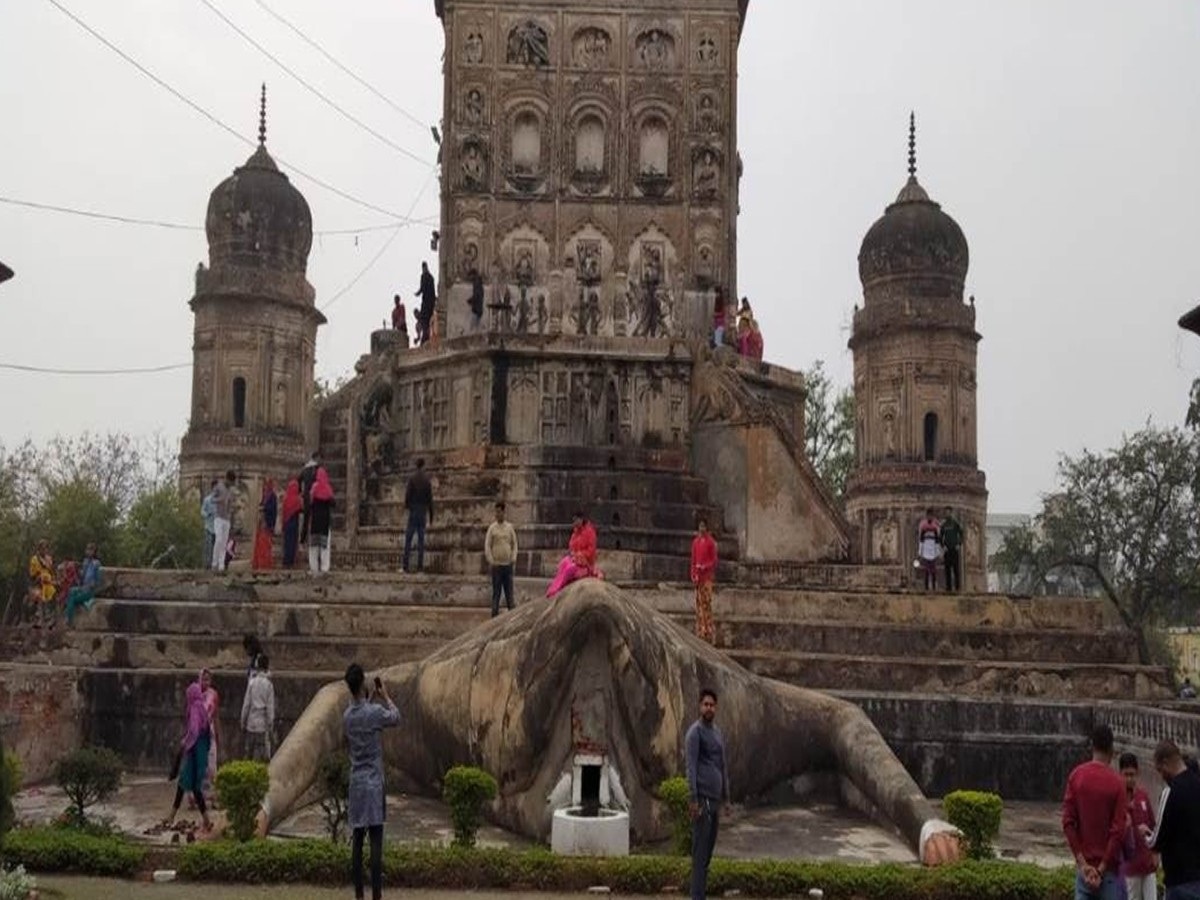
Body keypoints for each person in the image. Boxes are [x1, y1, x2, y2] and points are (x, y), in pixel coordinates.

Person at [344, 663, 401, 900]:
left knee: (357, 841)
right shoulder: (374, 712)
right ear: (363, 684)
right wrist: (385, 696)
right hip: (374, 781)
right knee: (376, 841)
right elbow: (396, 718)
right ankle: (377, 894)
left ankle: (359, 894)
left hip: (356, 781)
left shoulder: (347, 717)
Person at [1063, 724, 1128, 900]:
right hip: (1107, 873)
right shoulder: (1117, 783)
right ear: (1112, 748)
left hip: (1084, 871)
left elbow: (1068, 823)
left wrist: (1083, 864)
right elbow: (1118, 831)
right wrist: (1101, 868)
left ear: (1092, 746)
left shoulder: (1076, 776)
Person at [685, 688, 730, 900]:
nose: (709, 708)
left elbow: (722, 765)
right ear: (700, 706)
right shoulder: (695, 733)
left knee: (708, 855)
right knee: (700, 855)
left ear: (716, 708)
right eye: (705, 704)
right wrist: (693, 799)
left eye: (712, 705)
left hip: (715, 800)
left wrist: (726, 797)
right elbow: (691, 767)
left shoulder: (718, 733)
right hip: (702, 801)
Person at [1144, 740, 1200, 899]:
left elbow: (1156, 841)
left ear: (1165, 763)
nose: (1161, 776)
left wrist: (1144, 834)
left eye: (1160, 770)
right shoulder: (1198, 784)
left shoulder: (1170, 792)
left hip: (1179, 882)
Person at [167, 679, 214, 831]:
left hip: (194, 750)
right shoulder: (201, 707)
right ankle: (204, 820)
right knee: (192, 785)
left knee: (186, 783)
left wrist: (185, 742)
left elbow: (194, 730)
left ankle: (172, 816)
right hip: (199, 750)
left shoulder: (194, 708)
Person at [1119, 752, 1159, 900]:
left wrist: (1155, 853)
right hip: (1130, 869)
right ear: (1120, 773)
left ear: (1137, 773)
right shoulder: (1118, 799)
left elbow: (1153, 825)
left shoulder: (1143, 795)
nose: (1130, 779)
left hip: (1147, 865)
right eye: (1126, 775)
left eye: (1132, 775)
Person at [546, 511, 601, 598]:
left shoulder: (590, 532)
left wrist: (579, 555)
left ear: (581, 520)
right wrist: (573, 554)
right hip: (575, 559)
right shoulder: (575, 533)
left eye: (575, 520)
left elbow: (591, 551)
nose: (574, 523)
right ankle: (553, 588)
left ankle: (558, 589)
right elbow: (571, 546)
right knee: (563, 563)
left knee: (569, 569)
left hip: (585, 563)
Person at [484, 501, 518, 617]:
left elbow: (515, 544)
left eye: (499, 512)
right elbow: (487, 545)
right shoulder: (492, 528)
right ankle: (494, 617)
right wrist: (491, 560)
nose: (497, 514)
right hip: (497, 566)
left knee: (509, 595)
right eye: (496, 512)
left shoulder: (509, 528)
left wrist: (513, 558)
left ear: (504, 512)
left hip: (507, 565)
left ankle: (512, 618)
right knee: (496, 594)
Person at [241, 654, 276, 763]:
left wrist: (243, 721)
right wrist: (270, 726)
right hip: (262, 726)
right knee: (260, 757)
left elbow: (246, 705)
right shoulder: (269, 685)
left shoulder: (252, 683)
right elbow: (270, 709)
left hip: (251, 724)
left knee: (248, 755)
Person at [402, 459, 434, 574]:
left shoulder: (412, 479)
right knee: (421, 540)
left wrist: (408, 507)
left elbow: (407, 496)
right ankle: (420, 567)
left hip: (414, 510)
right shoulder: (427, 481)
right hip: (422, 511)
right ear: (424, 466)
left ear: (416, 466)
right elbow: (430, 500)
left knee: (408, 539)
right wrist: (431, 516)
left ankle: (405, 566)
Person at [690, 518, 718, 644]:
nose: (701, 529)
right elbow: (693, 560)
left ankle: (709, 631)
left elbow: (714, 561)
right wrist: (693, 574)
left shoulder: (711, 542)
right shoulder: (695, 542)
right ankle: (701, 630)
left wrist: (705, 566)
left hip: (707, 577)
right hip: (698, 577)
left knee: (706, 603)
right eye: (700, 526)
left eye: (703, 526)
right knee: (699, 604)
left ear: (706, 528)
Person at [65, 542, 102, 626]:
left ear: (94, 551)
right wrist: (78, 569)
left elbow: (98, 581)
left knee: (73, 599)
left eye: (90, 549)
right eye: (87, 549)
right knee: (71, 591)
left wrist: (92, 585)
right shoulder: (86, 562)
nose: (87, 551)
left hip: (90, 591)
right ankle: (68, 616)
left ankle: (69, 620)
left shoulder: (96, 564)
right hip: (83, 588)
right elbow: (82, 577)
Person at [309, 466, 336, 574]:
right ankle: (325, 568)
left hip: (315, 520)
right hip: (325, 521)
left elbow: (310, 503)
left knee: (314, 547)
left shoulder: (314, 488)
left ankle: (314, 568)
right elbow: (333, 503)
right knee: (325, 547)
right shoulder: (328, 488)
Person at [200, 668, 221, 801]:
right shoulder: (194, 695)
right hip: (197, 734)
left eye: (208, 679)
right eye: (203, 679)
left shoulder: (213, 695)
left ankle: (213, 796)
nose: (205, 682)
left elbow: (216, 716)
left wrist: (218, 735)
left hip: (210, 733)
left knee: (211, 765)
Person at [28, 539, 56, 630]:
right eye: (42, 548)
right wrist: (39, 578)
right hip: (38, 583)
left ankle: (50, 619)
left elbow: (51, 571)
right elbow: (32, 575)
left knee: (52, 594)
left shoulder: (49, 559)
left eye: (45, 548)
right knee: (39, 595)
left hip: (48, 583)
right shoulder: (34, 559)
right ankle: (38, 620)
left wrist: (52, 579)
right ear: (39, 549)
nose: (44, 550)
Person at [211, 470, 236, 572]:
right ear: (227, 479)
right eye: (230, 482)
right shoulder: (219, 487)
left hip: (226, 519)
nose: (231, 484)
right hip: (218, 518)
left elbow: (230, 504)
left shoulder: (230, 491)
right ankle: (214, 562)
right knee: (219, 539)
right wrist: (220, 499)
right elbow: (211, 499)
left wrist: (230, 512)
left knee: (224, 542)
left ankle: (221, 565)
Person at [252, 479, 278, 570]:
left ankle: (265, 563)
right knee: (260, 543)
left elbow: (272, 510)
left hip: (267, 523)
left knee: (266, 544)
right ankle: (259, 562)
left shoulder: (272, 497)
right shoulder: (265, 496)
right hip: (262, 522)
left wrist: (264, 509)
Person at [940, 507, 964, 593]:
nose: (947, 514)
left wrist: (959, 544)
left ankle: (957, 587)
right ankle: (948, 588)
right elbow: (940, 537)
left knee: (956, 569)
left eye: (949, 512)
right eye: (946, 512)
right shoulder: (944, 525)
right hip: (947, 549)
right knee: (947, 569)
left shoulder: (955, 523)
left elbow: (961, 533)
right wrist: (943, 546)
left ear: (951, 513)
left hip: (954, 548)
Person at [280, 478, 303, 568]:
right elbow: (301, 509)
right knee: (293, 543)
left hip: (287, 523)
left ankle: (286, 560)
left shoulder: (286, 499)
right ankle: (291, 561)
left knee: (287, 542)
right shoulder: (297, 499)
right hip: (294, 523)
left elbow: (284, 512)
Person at [916, 509, 941, 592]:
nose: (930, 517)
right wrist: (920, 552)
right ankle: (926, 587)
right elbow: (921, 540)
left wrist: (938, 552)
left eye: (931, 515)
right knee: (926, 570)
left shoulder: (935, 526)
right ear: (927, 516)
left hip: (933, 550)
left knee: (933, 570)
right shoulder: (923, 526)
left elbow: (938, 541)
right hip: (926, 550)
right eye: (928, 515)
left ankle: (934, 586)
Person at [414, 261, 437, 347]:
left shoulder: (424, 276)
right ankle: (426, 340)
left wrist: (418, 293)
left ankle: (425, 341)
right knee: (428, 322)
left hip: (427, 303)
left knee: (426, 323)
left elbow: (422, 288)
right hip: (431, 303)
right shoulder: (431, 277)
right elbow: (433, 291)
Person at [300, 452, 320, 544]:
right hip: (314, 496)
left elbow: (298, 479)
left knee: (306, 519)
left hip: (306, 496)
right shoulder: (316, 469)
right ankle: (313, 540)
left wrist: (301, 492)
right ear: (316, 458)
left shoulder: (305, 469)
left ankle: (303, 540)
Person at [201, 479, 218, 569]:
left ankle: (214, 564)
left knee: (216, 547)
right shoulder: (207, 500)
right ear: (212, 488)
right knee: (208, 547)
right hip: (208, 527)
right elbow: (202, 511)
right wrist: (207, 514)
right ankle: (207, 564)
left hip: (217, 527)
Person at [467, 268, 485, 333]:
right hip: (479, 308)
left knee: (472, 328)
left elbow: (477, 295)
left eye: (470, 276)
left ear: (472, 275)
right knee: (477, 327)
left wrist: (471, 300)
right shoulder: (479, 282)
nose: (469, 279)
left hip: (476, 308)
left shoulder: (476, 283)